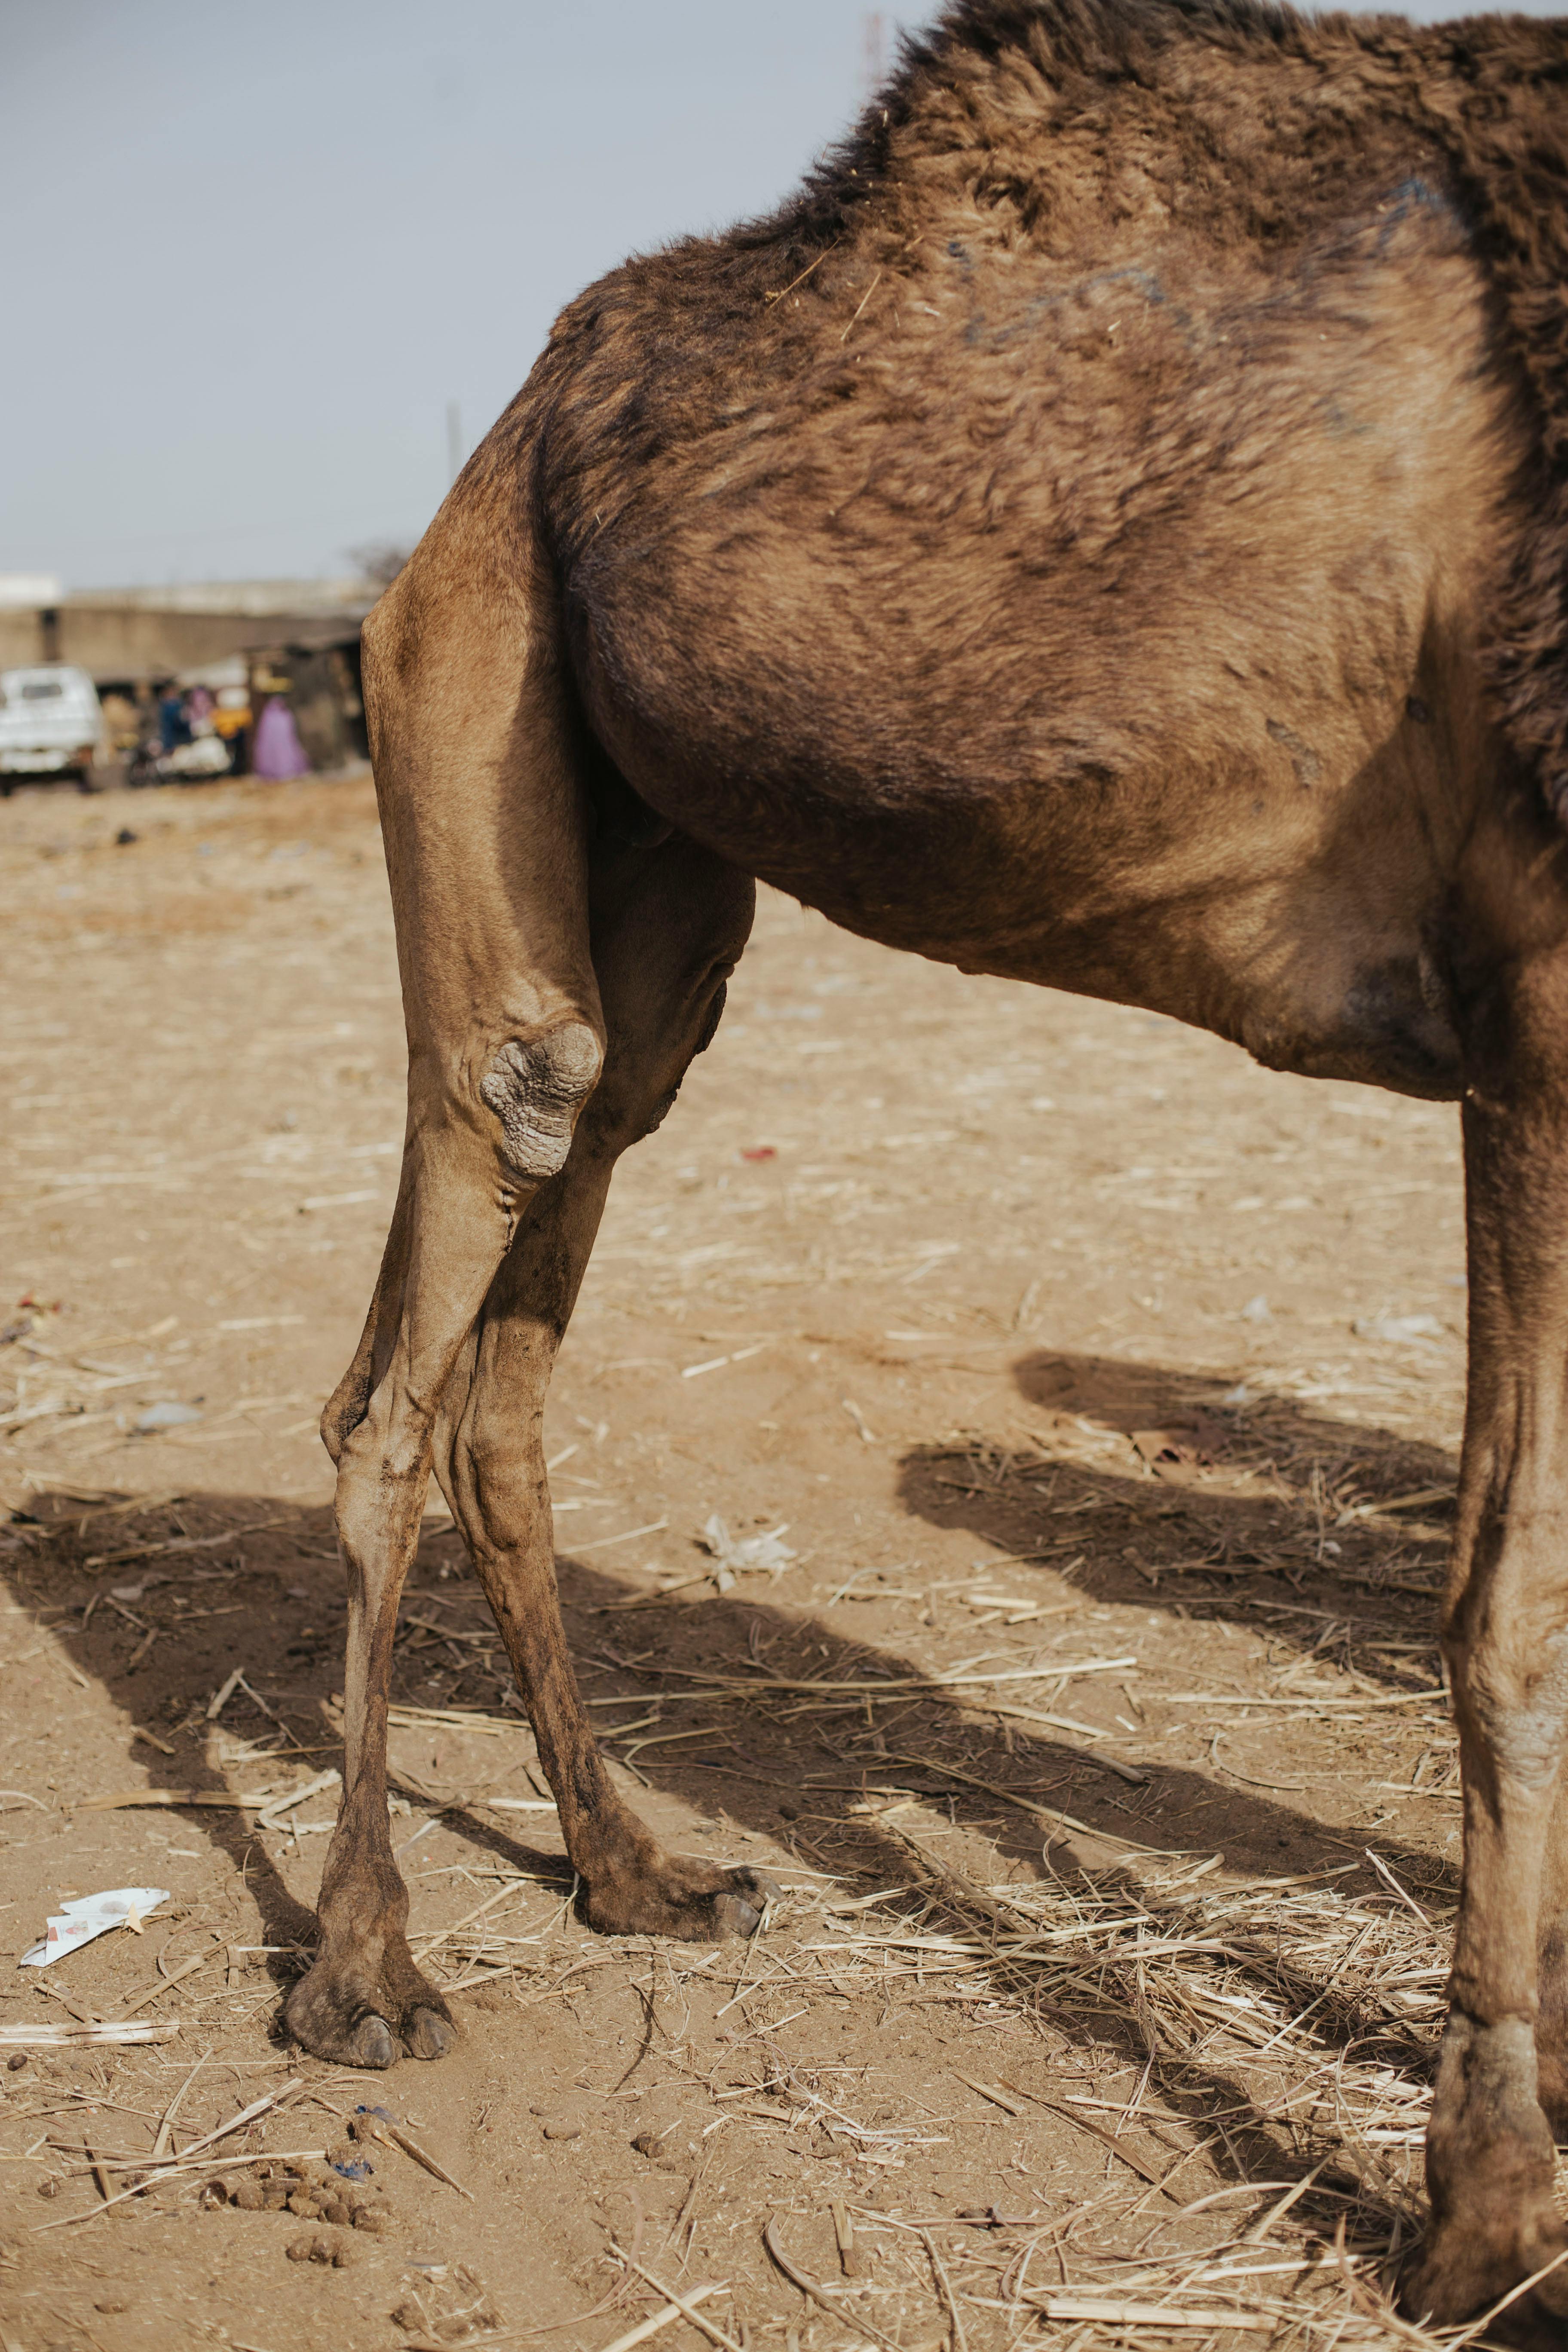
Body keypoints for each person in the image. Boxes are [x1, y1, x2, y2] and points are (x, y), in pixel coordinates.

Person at [252, 693, 309, 781]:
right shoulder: (269, 716)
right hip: (272, 746)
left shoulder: (286, 715)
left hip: (285, 745)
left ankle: (285, 771)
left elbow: (290, 732)